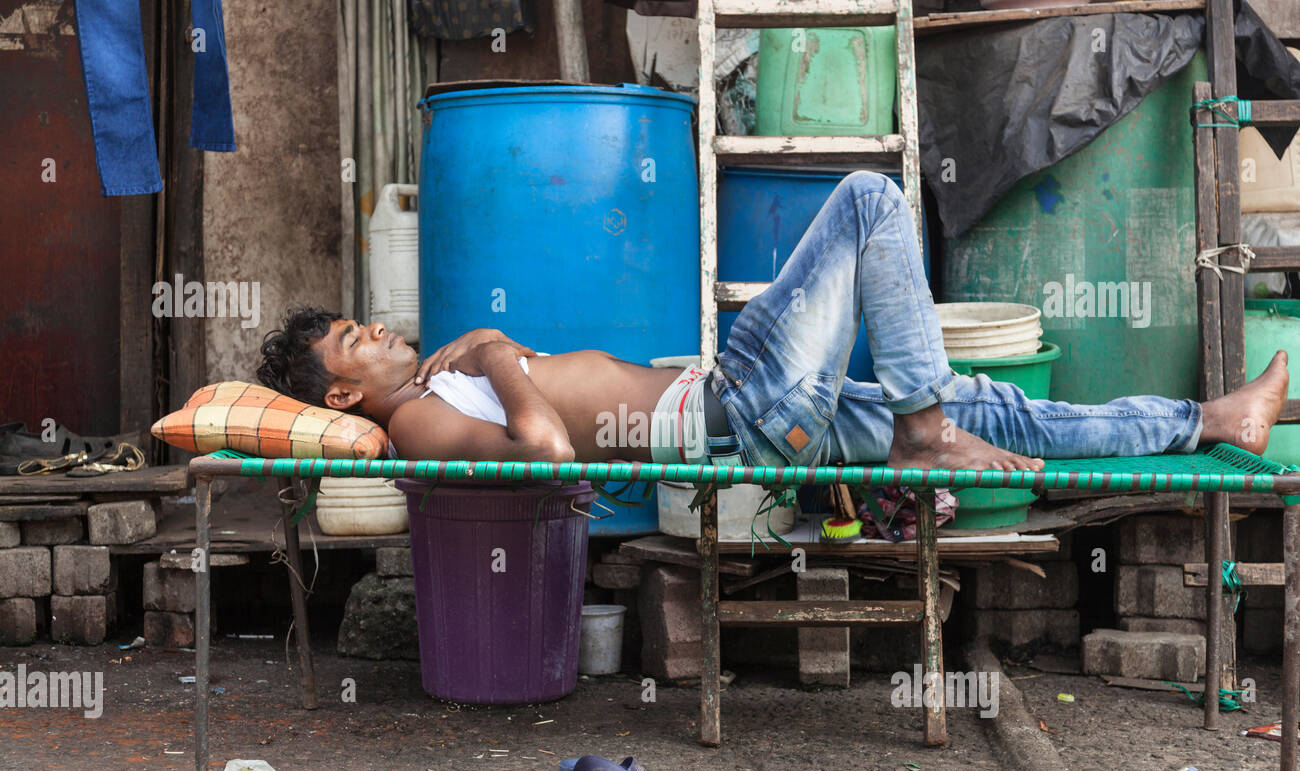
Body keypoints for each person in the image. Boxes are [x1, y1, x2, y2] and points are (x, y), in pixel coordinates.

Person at [257, 171, 1289, 471]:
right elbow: (543, 456)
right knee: (868, 200)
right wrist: (492, 350)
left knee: (996, 405)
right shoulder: (418, 420)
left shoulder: (430, 384)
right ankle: (927, 435)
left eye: (363, 322)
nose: (381, 331)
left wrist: (489, 353)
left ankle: (1207, 421)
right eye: (356, 341)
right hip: (747, 408)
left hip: (742, 397)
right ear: (345, 391)